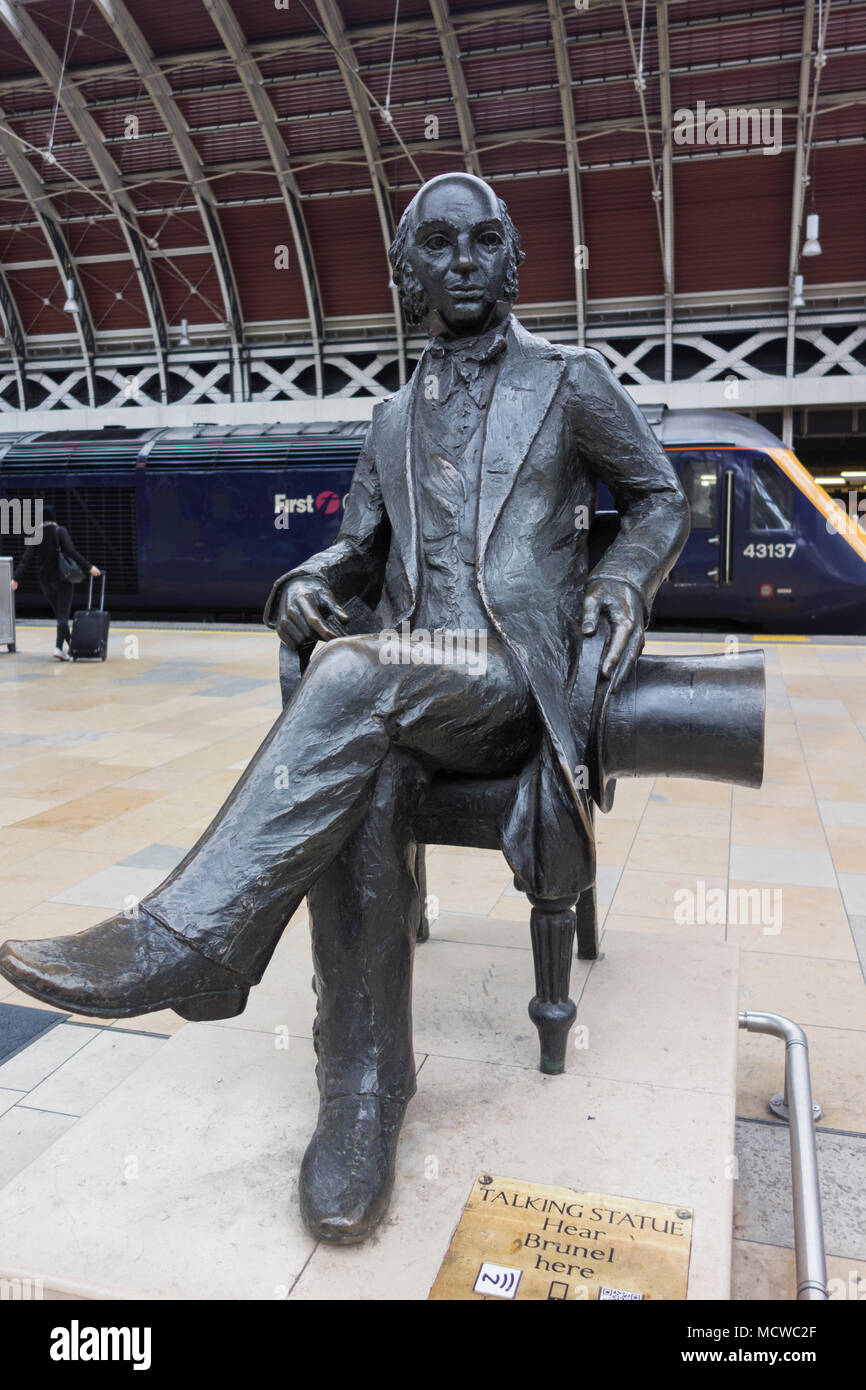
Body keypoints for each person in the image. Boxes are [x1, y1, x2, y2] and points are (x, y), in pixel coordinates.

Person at [0, 173, 690, 1243]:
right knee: (357, 757)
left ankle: (191, 939)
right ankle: (362, 1092)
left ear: (510, 261)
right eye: (438, 245)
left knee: (352, 679)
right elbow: (354, 552)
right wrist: (310, 582)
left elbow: (657, 498)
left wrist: (615, 583)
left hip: (509, 676)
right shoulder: (388, 418)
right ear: (407, 273)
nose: (461, 260)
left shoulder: (571, 382)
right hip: (405, 688)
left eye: (481, 242)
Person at [10, 504, 100, 660]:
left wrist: (16, 577)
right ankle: (59, 648)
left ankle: (73, 647)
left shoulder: (36, 534)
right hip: (62, 580)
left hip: (45, 582)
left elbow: (27, 558)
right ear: (53, 518)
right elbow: (72, 552)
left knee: (60, 616)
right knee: (63, 616)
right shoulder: (60, 531)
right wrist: (89, 567)